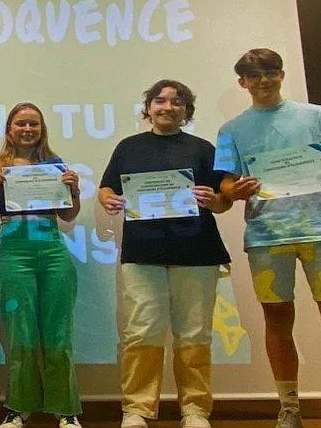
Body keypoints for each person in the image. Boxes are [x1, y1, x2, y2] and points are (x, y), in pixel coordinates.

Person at [214, 48, 321, 428]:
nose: (263, 80)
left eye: (270, 72)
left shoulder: (318, 115)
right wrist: (237, 190)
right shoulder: (230, 130)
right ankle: (289, 408)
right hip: (267, 236)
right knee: (277, 318)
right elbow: (225, 183)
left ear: (282, 75)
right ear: (243, 83)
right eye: (254, 76)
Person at [98, 80, 232, 428]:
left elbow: (224, 201)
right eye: (160, 100)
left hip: (198, 252)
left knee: (195, 334)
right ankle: (137, 409)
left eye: (177, 102)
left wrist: (213, 199)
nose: (168, 107)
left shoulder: (203, 149)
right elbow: (107, 187)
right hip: (142, 253)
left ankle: (195, 410)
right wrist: (108, 199)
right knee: (142, 332)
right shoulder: (129, 147)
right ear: (149, 108)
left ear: (186, 111)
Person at [0, 102, 84, 428]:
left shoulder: (54, 164)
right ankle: (18, 408)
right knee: (19, 336)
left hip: (53, 254)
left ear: (41, 129)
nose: (27, 129)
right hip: (14, 255)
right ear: (9, 129)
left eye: (33, 124)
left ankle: (66, 410)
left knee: (58, 334)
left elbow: (67, 215)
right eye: (20, 124)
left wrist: (74, 191)